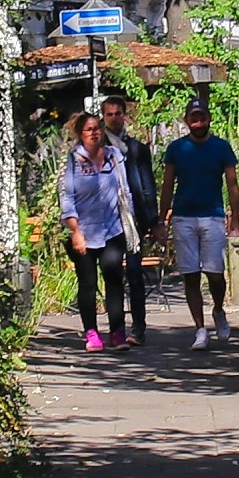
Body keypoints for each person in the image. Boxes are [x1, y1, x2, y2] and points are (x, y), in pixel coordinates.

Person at [158, 92, 239, 348]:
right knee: (191, 274)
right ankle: (199, 328)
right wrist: (162, 219)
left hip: (212, 216)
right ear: (186, 121)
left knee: (215, 272)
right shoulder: (177, 149)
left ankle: (218, 309)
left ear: (209, 119)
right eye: (193, 119)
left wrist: (236, 220)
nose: (198, 123)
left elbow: (232, 184)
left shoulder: (221, 147)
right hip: (184, 216)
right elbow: (166, 186)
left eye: (202, 118)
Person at [58, 107, 138, 352]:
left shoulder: (114, 157)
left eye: (97, 128)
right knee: (88, 283)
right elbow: (67, 198)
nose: (94, 133)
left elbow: (125, 192)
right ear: (81, 134)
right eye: (88, 130)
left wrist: (131, 225)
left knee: (114, 278)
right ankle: (91, 333)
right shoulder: (74, 160)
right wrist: (75, 230)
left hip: (112, 229)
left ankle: (117, 332)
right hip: (85, 231)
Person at [99, 94, 160, 349]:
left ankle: (139, 328)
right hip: (107, 222)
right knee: (112, 274)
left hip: (133, 221)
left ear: (125, 115)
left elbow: (148, 186)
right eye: (109, 114)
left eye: (118, 113)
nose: (114, 118)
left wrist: (154, 219)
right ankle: (116, 331)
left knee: (135, 274)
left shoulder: (137, 149)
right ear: (104, 117)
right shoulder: (97, 148)